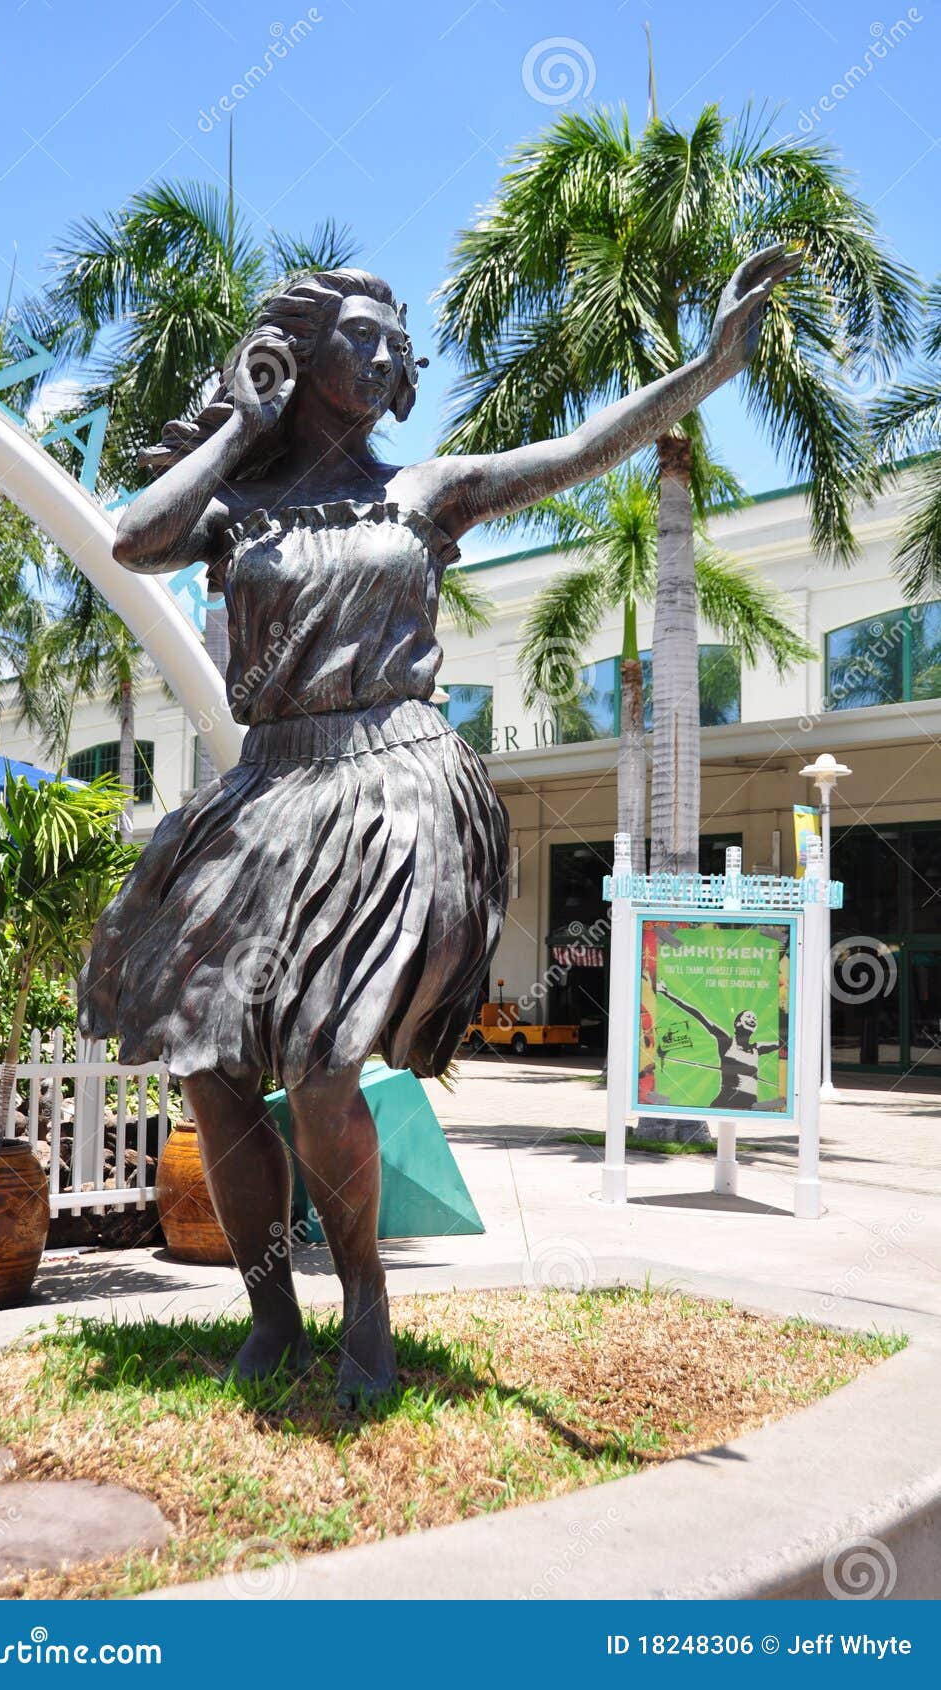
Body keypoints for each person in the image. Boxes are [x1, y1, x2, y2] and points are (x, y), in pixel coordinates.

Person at [79, 246, 798, 1404]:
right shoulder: (240, 504)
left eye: (389, 341)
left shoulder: (425, 491)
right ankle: (271, 1310)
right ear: (302, 360)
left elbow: (575, 453)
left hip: (390, 784)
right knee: (210, 1070)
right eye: (354, 337)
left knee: (319, 1068)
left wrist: (706, 371)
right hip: (265, 790)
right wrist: (238, 421)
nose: (380, 354)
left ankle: (362, 1292)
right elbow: (133, 539)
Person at [656, 985, 782, 1111]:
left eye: (754, 1018)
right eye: (748, 1016)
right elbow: (699, 1015)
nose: (752, 1019)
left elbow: (782, 1042)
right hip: (727, 1101)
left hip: (749, 1104)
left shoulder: (757, 1048)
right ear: (737, 1023)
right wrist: (667, 994)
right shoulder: (727, 1041)